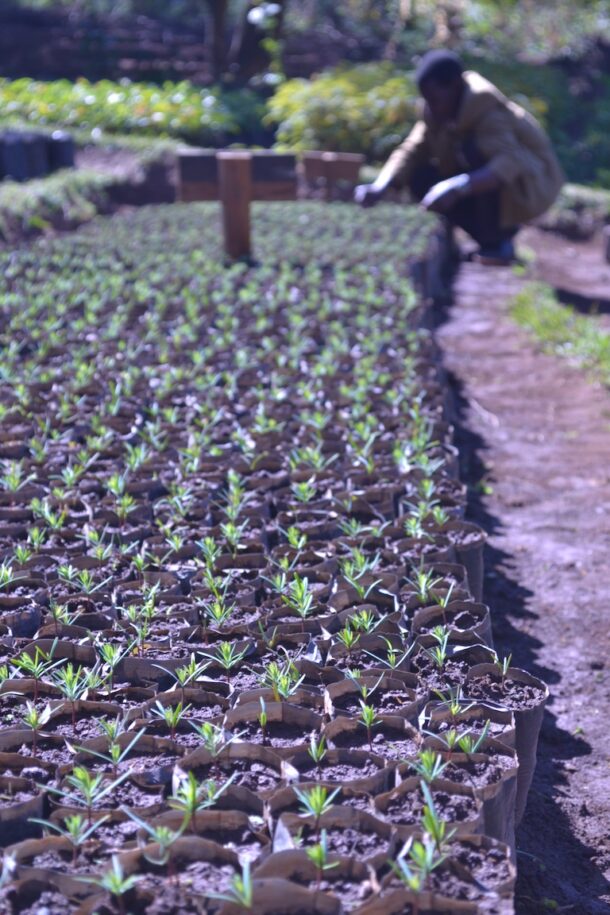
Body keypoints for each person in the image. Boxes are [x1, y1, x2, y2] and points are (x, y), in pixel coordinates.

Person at [354, 50, 564, 265]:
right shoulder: (437, 111)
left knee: (476, 154)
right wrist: (381, 185)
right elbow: (411, 150)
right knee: (420, 175)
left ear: (454, 86)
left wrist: (456, 186)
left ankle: (498, 241)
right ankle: (484, 238)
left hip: (532, 186)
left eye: (435, 99)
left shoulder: (488, 111)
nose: (431, 107)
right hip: (495, 181)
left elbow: (507, 164)